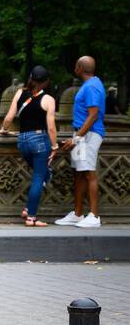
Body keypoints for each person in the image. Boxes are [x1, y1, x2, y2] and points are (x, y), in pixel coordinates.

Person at [0, 65, 58, 226]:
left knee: (44, 173)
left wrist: (4, 129)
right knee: (39, 177)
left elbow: (9, 117)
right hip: (39, 140)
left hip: (23, 141)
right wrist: (55, 146)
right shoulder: (48, 100)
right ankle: (31, 217)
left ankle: (28, 208)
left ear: (31, 79)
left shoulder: (19, 93)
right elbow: (51, 127)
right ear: (46, 82)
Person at [55, 56, 105, 228]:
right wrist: (76, 136)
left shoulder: (92, 86)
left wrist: (76, 138)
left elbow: (93, 115)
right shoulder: (91, 84)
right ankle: (77, 214)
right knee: (79, 172)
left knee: (89, 173)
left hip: (89, 135)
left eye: (75, 65)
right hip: (81, 135)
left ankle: (94, 216)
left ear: (79, 68)